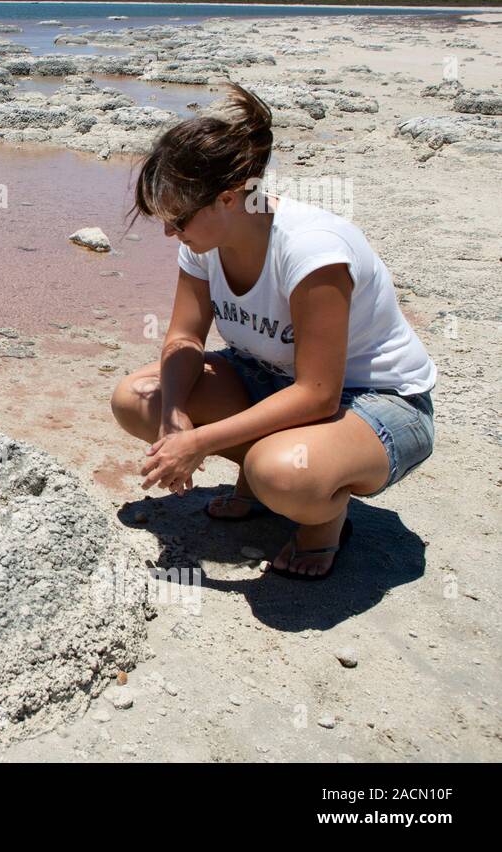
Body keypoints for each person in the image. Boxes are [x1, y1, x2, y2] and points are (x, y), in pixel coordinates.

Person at [110, 84, 436, 579]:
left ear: (227, 198)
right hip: (270, 377)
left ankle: (321, 522)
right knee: (139, 399)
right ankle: (259, 477)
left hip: (375, 399)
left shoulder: (311, 249)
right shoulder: (205, 242)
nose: (168, 233)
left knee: (282, 472)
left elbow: (319, 396)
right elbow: (184, 339)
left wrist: (198, 443)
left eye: (177, 219)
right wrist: (175, 415)